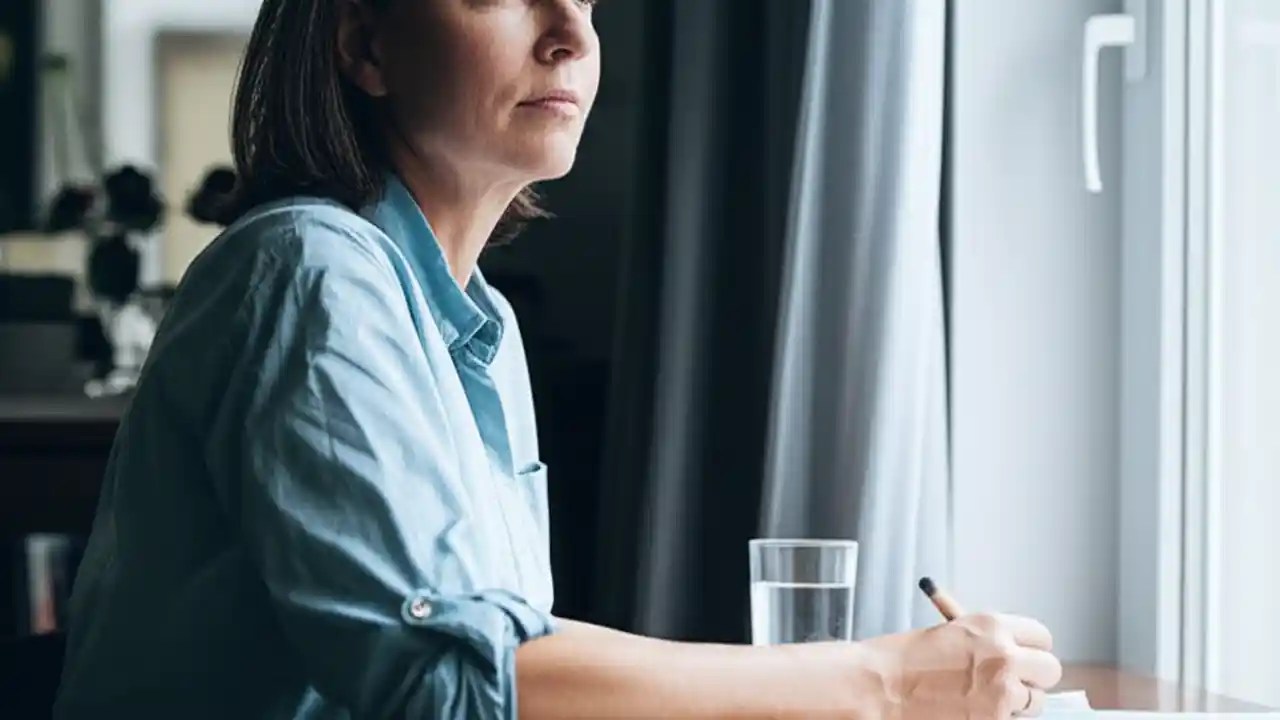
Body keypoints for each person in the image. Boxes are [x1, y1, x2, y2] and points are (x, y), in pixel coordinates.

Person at [55, 1, 1062, 717]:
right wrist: (878, 684)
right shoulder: (308, 270)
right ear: (365, 44)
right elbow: (449, 686)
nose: (571, 33)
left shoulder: (479, 323)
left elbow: (497, 656)